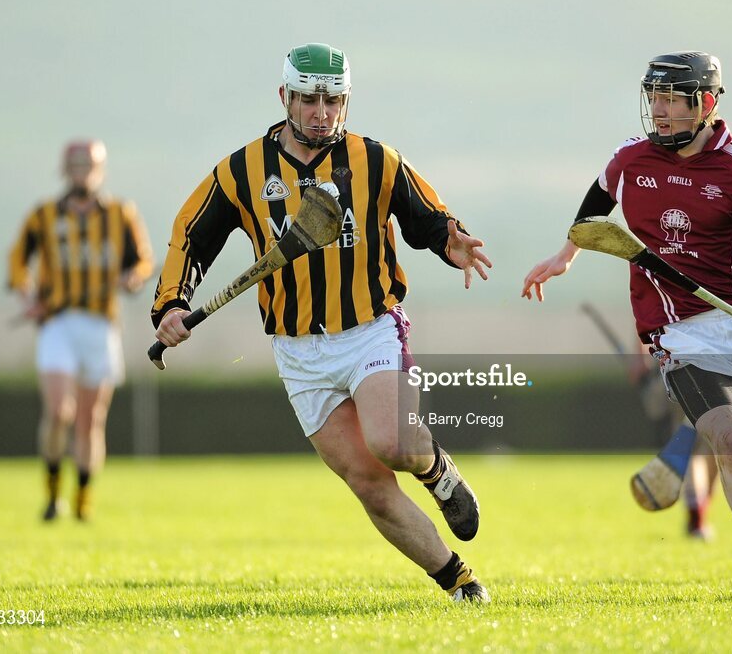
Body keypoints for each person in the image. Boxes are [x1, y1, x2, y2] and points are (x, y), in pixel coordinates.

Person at [152, 43, 493, 603]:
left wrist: (448, 239)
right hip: (297, 350)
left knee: (391, 442)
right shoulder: (242, 171)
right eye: (309, 98)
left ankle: (437, 471)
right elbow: (192, 233)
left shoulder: (376, 160)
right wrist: (171, 303)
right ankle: (458, 582)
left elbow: (425, 216)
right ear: (284, 97)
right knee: (370, 485)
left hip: (370, 327)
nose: (321, 111)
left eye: (333, 100)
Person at [522, 52, 732, 598]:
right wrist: (566, 253)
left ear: (705, 104)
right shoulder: (630, 160)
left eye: (671, 100)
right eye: (653, 98)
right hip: (677, 332)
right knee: (731, 442)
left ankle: (710, 433)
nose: (658, 111)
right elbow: (595, 208)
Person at [8, 139, 154, 521]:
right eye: (75, 165)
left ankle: (83, 498)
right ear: (64, 169)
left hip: (101, 324)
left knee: (91, 420)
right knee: (59, 411)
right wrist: (27, 297)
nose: (81, 172)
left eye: (88, 166)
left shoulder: (121, 213)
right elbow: (17, 262)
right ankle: (53, 493)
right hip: (57, 324)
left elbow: (143, 261)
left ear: (100, 170)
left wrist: (132, 278)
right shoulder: (43, 215)